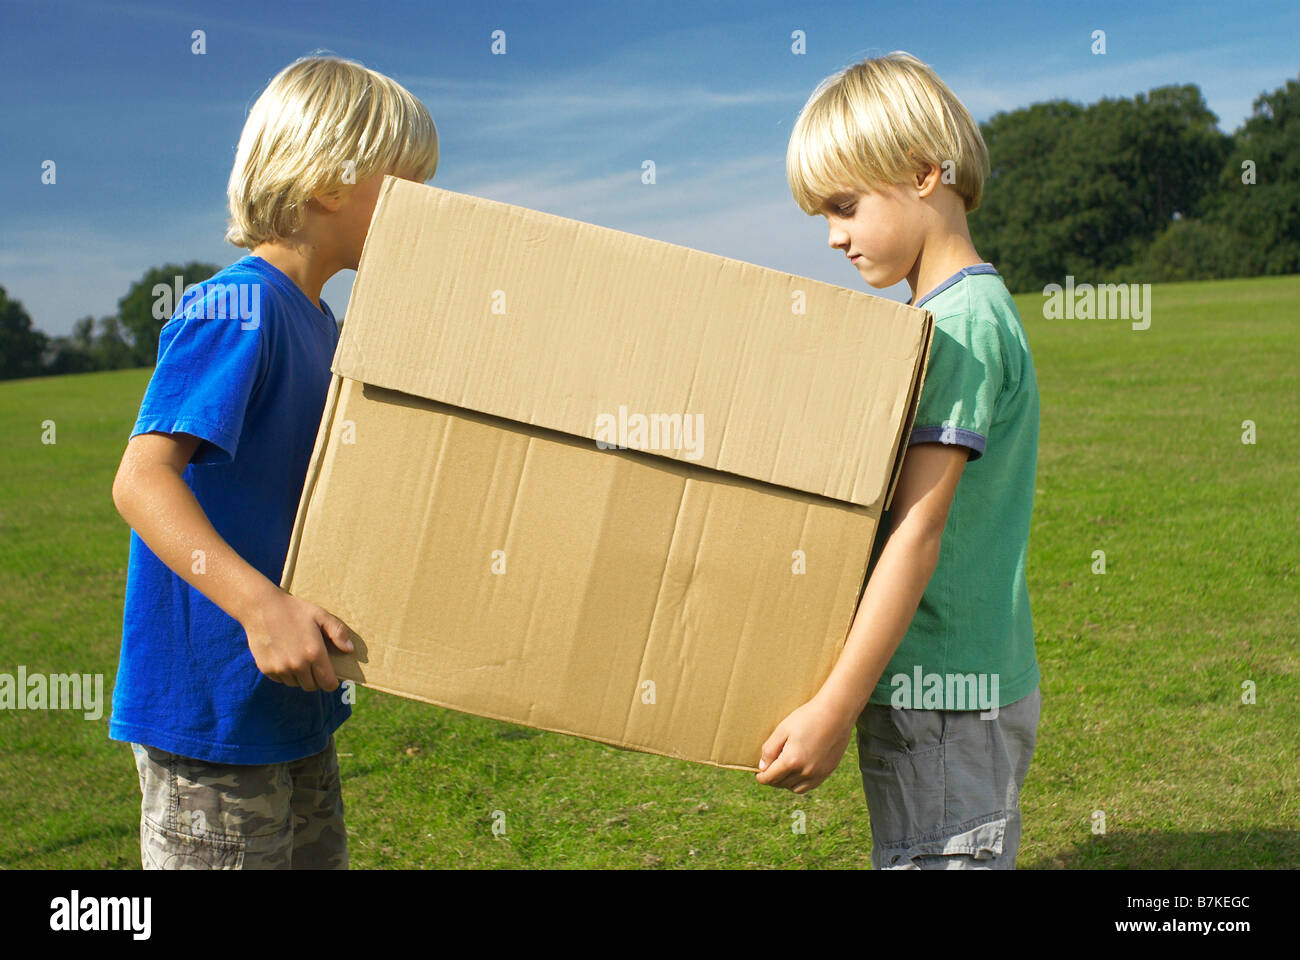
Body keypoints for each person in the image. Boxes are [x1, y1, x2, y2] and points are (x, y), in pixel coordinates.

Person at [109, 54, 438, 869]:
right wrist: (262, 608)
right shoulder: (239, 305)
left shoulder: (323, 324)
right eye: (410, 183)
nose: (425, 208)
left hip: (293, 703)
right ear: (330, 181)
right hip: (215, 717)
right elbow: (141, 478)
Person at [756, 51, 1042, 870]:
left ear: (924, 174)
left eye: (844, 206)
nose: (834, 236)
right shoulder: (955, 310)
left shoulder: (957, 325)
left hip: (941, 692)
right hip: (951, 685)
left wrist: (834, 707)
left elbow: (917, 533)